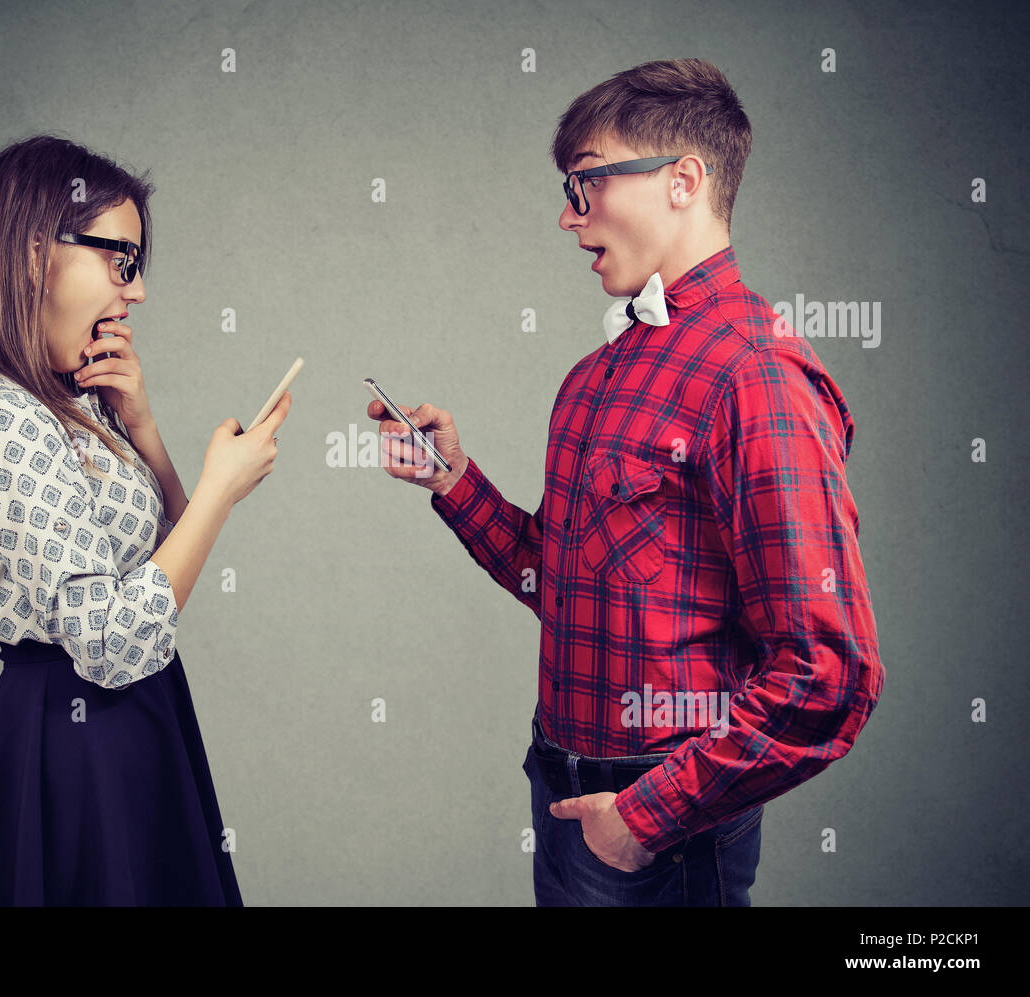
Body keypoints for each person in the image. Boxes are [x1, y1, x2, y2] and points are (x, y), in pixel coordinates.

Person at [369, 58, 884, 906]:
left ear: (684, 180)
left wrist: (646, 817)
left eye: (587, 183)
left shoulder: (755, 374)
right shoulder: (593, 378)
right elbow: (565, 583)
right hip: (566, 791)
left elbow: (828, 672)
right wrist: (454, 480)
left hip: (663, 827)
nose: (567, 217)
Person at [0, 135, 289, 905]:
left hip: (140, 727)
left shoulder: (70, 401)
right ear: (30, 257)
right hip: (69, 751)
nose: (139, 290)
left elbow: (164, 568)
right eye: (121, 260)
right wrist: (219, 490)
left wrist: (143, 427)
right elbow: (115, 641)